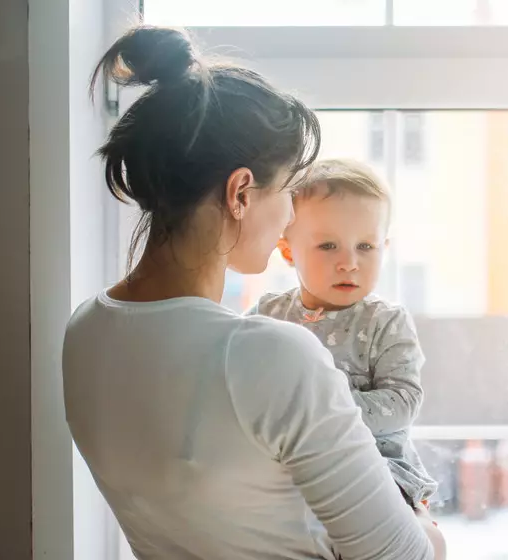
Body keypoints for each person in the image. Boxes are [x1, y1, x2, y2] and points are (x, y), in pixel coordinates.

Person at [62, 25, 445, 560]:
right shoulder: (268, 355)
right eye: (289, 190)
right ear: (241, 192)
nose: (290, 213)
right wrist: (427, 527)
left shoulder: (84, 331)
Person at [246, 158, 439, 512]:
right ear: (288, 250)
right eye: (328, 246)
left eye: (365, 247)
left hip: (373, 467)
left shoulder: (386, 321)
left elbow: (404, 401)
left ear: (384, 248)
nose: (349, 262)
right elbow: (234, 376)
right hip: (286, 468)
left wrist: (326, 410)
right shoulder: (267, 315)